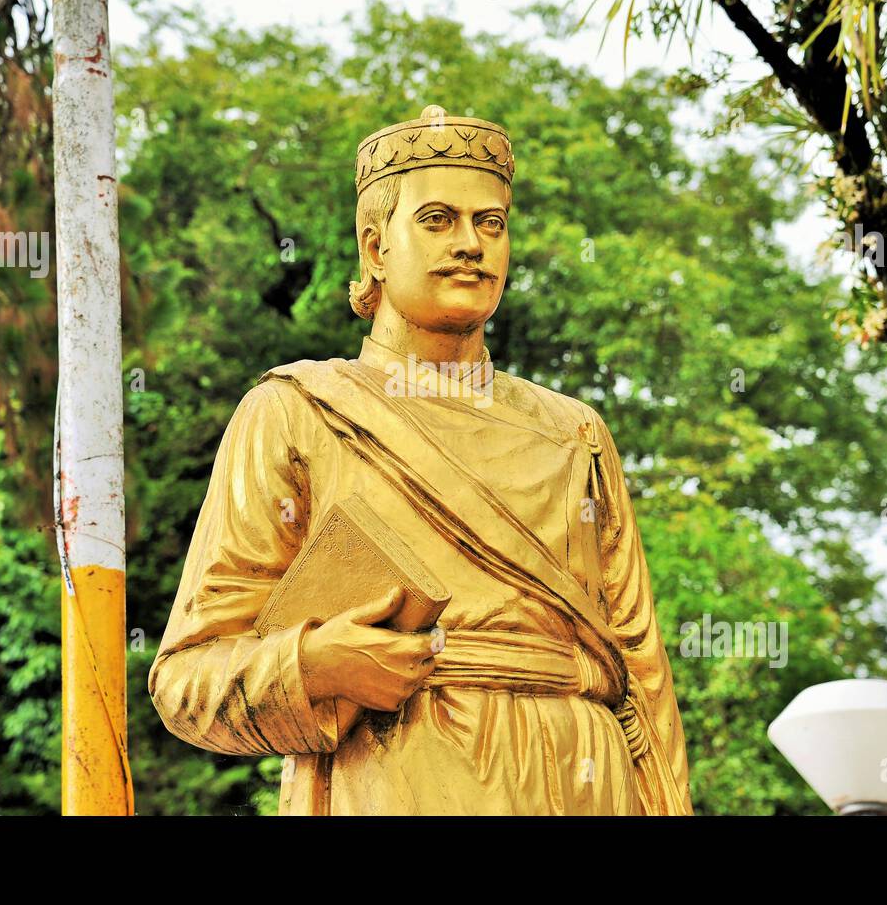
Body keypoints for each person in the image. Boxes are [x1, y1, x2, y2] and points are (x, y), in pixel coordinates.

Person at [148, 105, 693, 815]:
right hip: (396, 772)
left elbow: (644, 679)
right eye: (437, 220)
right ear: (375, 248)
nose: (470, 243)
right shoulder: (299, 410)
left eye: (490, 223)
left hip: (587, 778)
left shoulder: (576, 432)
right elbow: (187, 678)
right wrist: (314, 663)